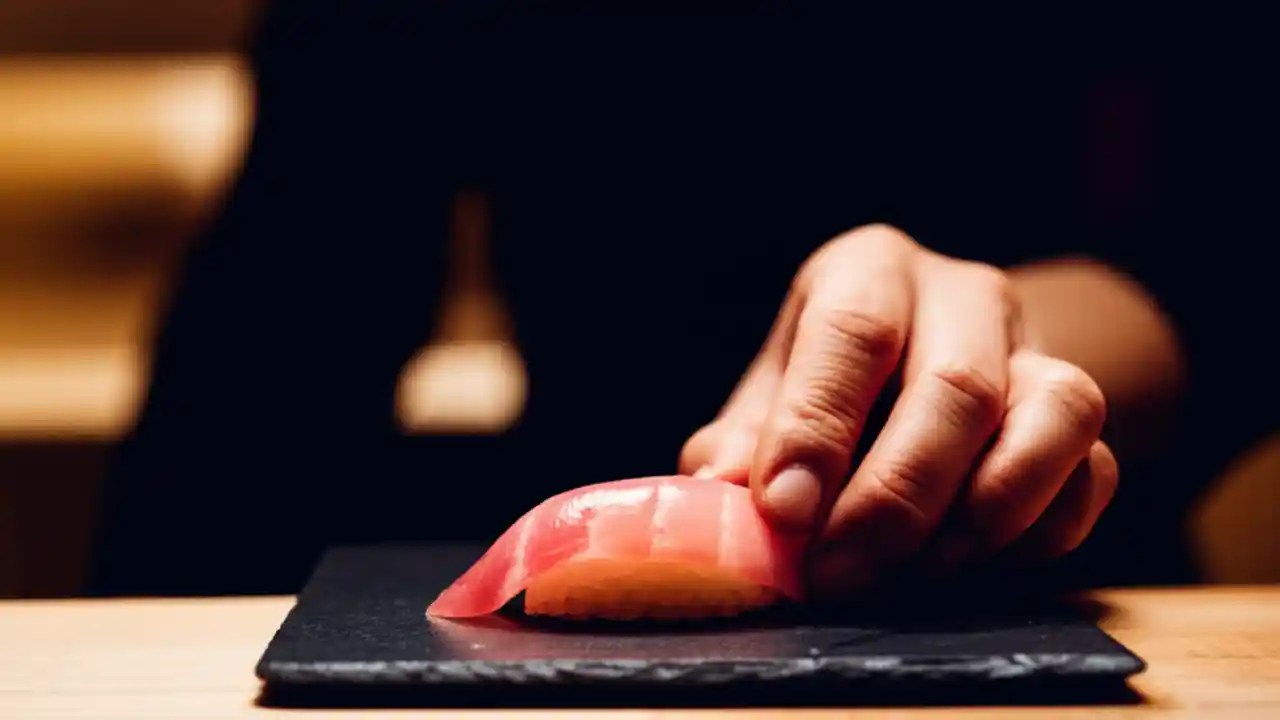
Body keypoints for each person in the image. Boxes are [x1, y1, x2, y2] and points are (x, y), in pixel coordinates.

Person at [89, 4, 1274, 597]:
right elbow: (274, 340)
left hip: (1057, 576)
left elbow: (1230, 265)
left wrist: (995, 359)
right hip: (584, 581)